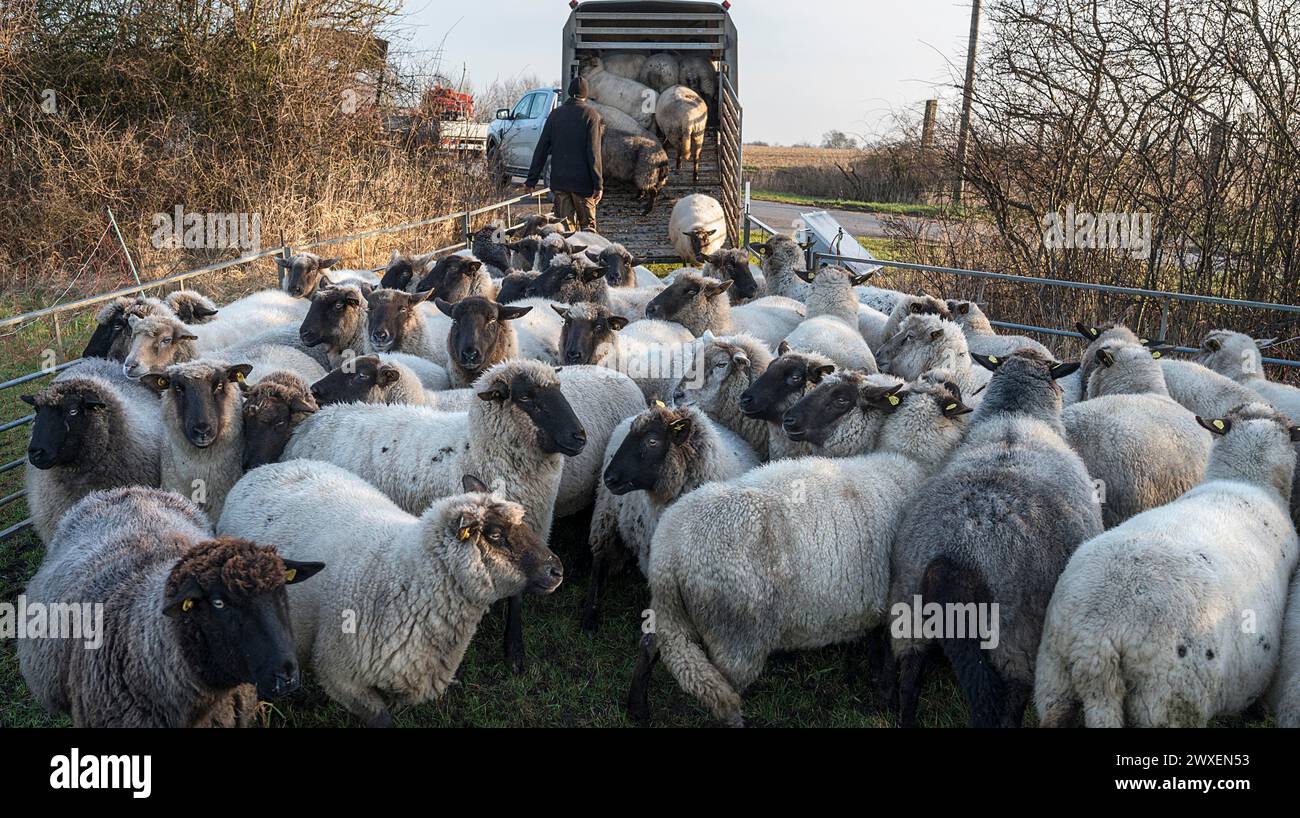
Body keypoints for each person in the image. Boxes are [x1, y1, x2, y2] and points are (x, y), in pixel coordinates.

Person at [525, 77, 603, 231]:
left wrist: (531, 181)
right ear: (585, 95)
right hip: (584, 185)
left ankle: (567, 255)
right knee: (588, 232)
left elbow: (541, 149)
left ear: (569, 92)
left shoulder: (555, 115)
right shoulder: (591, 115)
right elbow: (593, 153)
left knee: (564, 231)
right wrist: (598, 184)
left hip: (560, 183)